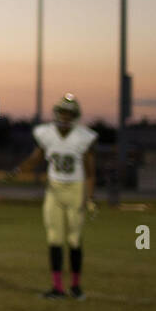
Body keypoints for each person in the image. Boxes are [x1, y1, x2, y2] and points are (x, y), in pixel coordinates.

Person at [9, 95, 96, 299]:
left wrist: (89, 197)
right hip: (54, 189)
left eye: (69, 114)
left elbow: (90, 172)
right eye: (62, 113)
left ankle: (75, 286)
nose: (64, 117)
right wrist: (17, 170)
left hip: (75, 189)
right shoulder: (46, 134)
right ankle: (57, 287)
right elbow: (35, 158)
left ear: (75, 116)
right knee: (54, 238)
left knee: (74, 239)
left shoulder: (84, 137)